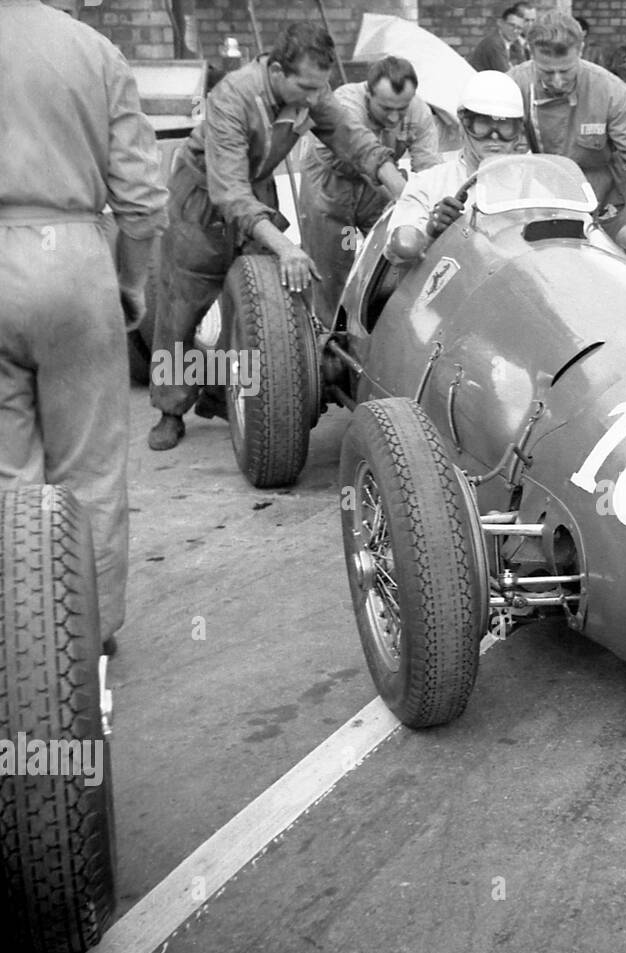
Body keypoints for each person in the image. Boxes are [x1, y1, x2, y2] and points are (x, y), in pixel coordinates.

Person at [146, 22, 407, 451]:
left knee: (253, 306)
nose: (314, 97)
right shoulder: (231, 97)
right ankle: (171, 407)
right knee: (182, 309)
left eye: (320, 87)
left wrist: (404, 192)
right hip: (203, 203)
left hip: (257, 192)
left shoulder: (311, 89)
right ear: (278, 71)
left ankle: (229, 390)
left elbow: (353, 140)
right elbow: (229, 193)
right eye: (305, 87)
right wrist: (287, 246)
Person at [1, 0, 168, 655]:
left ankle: (17, 631)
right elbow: (140, 202)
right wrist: (127, 285)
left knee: (7, 473)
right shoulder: (94, 51)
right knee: (89, 471)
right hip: (72, 258)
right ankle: (86, 630)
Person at [509, 11, 626, 246]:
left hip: (609, 203)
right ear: (530, 54)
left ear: (581, 50)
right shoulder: (514, 86)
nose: (556, 81)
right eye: (546, 72)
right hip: (545, 202)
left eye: (565, 71)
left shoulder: (610, 91)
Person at [297, 56, 441, 319]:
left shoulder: (419, 112)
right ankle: (332, 334)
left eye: (403, 108)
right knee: (333, 265)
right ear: (368, 93)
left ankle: (379, 324)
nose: (395, 117)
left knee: (393, 254)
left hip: (379, 189)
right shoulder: (344, 104)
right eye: (386, 108)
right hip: (331, 187)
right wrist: (396, 186)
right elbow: (346, 155)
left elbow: (430, 169)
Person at [386, 71, 526, 264]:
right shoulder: (427, 184)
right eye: (483, 125)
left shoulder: (533, 187)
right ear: (463, 127)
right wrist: (430, 231)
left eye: (504, 126)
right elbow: (395, 253)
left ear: (517, 133)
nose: (494, 137)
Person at [469, 5, 526, 73]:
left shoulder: (515, 43)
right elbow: (507, 74)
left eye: (519, 28)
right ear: (501, 23)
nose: (515, 31)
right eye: (511, 25)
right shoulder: (494, 43)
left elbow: (523, 68)